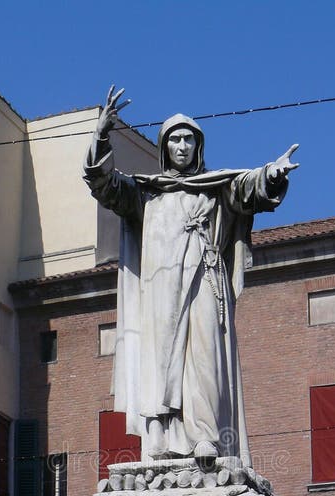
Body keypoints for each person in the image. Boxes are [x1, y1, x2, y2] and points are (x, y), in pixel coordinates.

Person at [84, 86, 299, 465]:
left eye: (188, 140)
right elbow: (105, 186)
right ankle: (164, 440)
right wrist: (102, 136)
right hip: (160, 293)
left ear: (197, 146)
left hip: (205, 280)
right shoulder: (147, 194)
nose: (181, 146)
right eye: (174, 140)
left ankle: (206, 437)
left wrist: (272, 174)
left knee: (204, 357)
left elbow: (248, 189)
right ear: (164, 146)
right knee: (164, 365)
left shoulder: (215, 189)